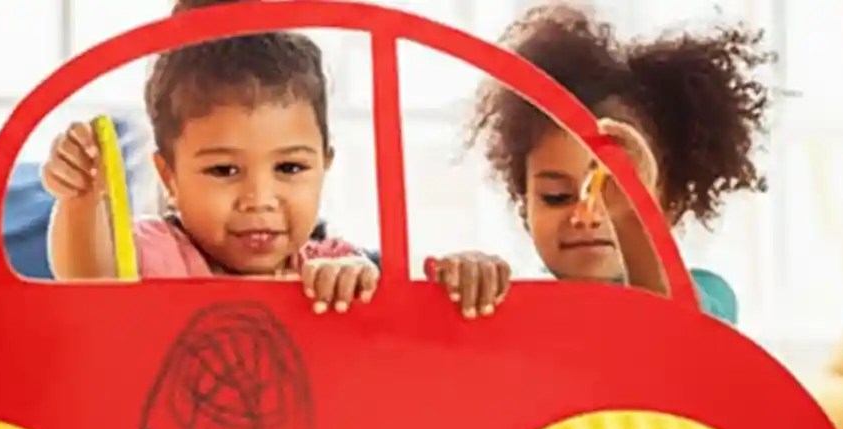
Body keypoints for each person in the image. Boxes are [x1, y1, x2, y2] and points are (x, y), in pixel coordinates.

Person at [41, 0, 508, 318]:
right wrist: (82, 200)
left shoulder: (330, 263)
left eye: (290, 168)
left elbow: (402, 342)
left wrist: (449, 279)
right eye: (224, 170)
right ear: (170, 178)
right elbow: (88, 281)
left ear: (325, 165)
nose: (259, 199)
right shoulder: (160, 251)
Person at [465, 3, 777, 323]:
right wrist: (464, 290)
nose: (585, 216)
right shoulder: (518, 306)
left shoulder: (710, 295)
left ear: (674, 203)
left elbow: (678, 339)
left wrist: (632, 218)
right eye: (556, 196)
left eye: (619, 188)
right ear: (524, 208)